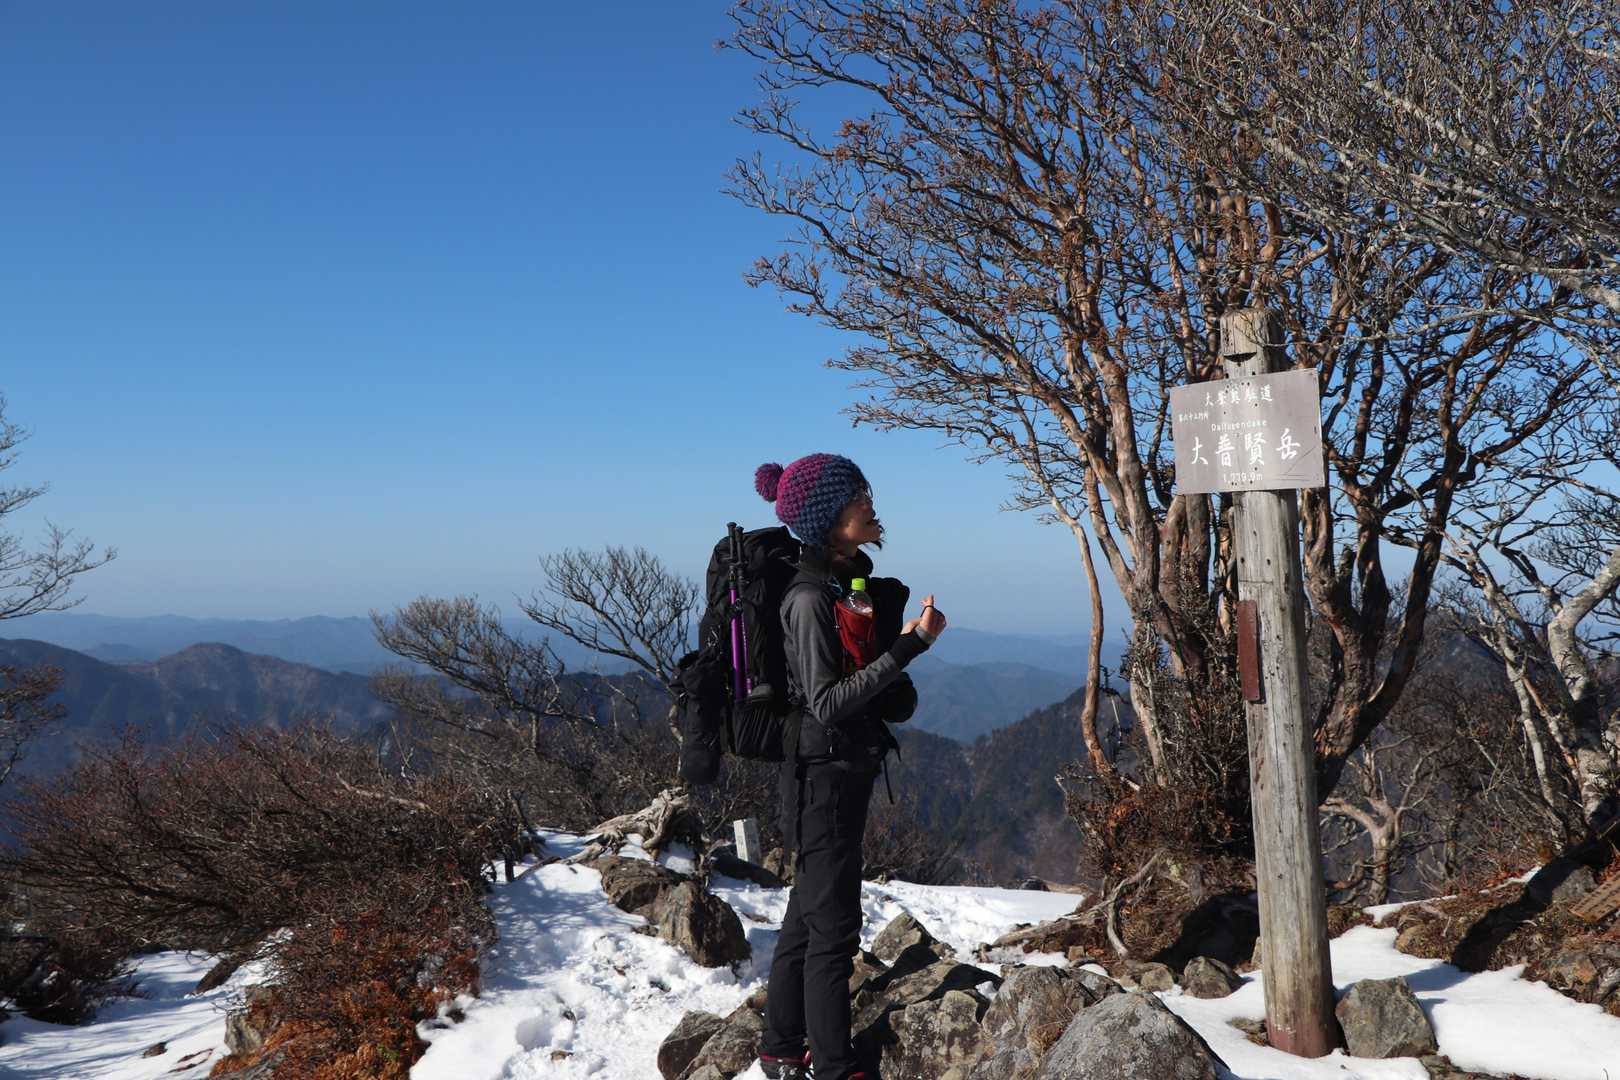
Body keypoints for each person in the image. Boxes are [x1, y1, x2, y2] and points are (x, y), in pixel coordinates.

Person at [752, 453, 947, 1080]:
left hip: (835, 772)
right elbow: (828, 702)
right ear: (829, 517)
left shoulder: (841, 584)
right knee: (832, 928)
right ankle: (834, 1068)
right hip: (823, 775)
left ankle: (783, 1048)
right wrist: (909, 647)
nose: (870, 502)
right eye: (857, 494)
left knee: (805, 918)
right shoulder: (809, 598)